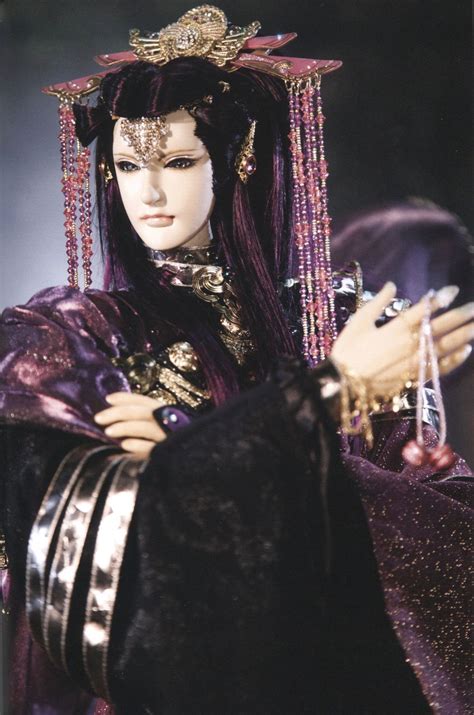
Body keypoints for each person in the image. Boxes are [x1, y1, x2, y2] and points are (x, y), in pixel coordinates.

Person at [1, 6, 472, 714]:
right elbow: (87, 554)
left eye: (178, 161)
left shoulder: (328, 327)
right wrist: (318, 407)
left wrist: (196, 453)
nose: (148, 192)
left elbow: (448, 540)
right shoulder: (69, 336)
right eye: (127, 165)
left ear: (239, 159)